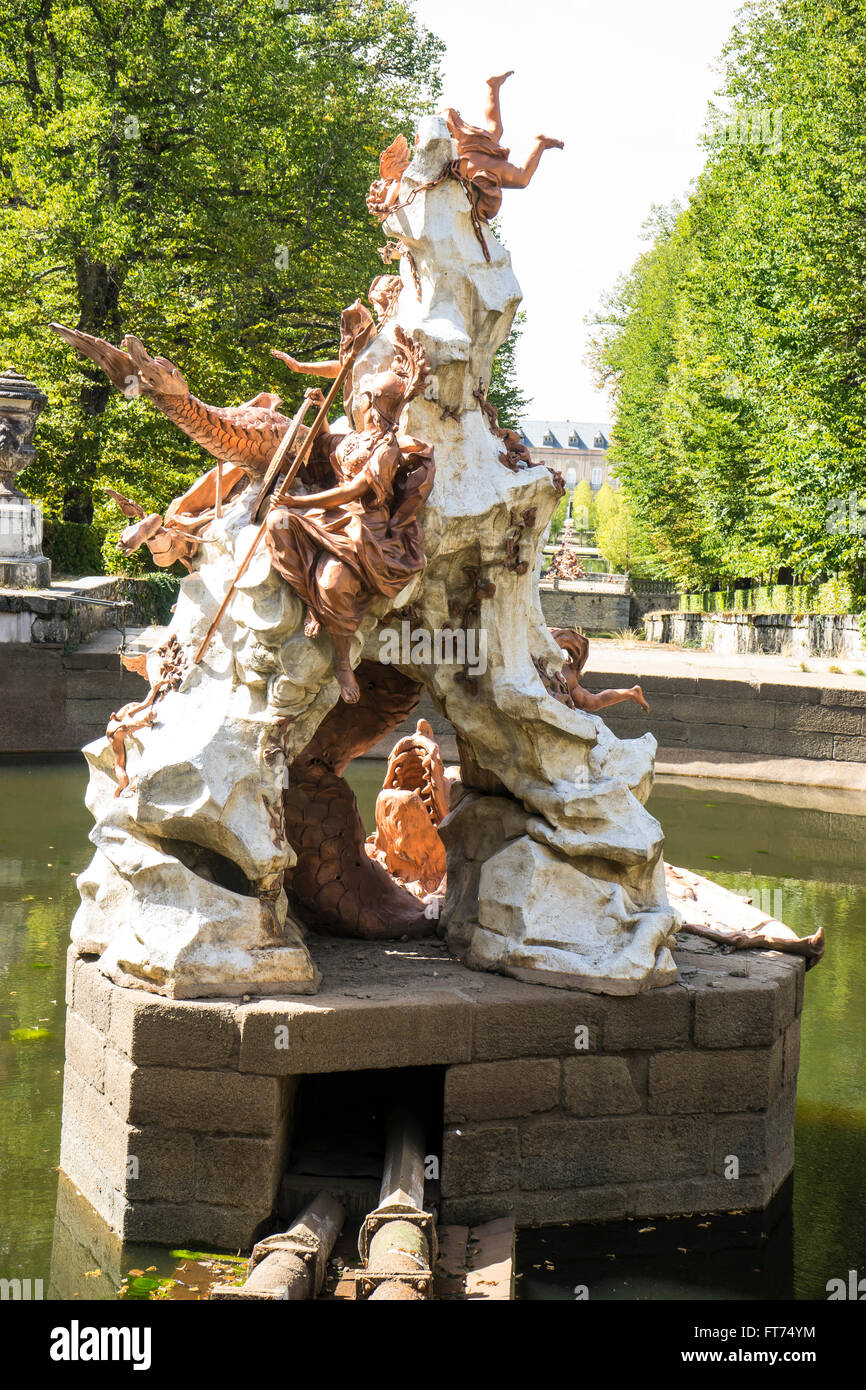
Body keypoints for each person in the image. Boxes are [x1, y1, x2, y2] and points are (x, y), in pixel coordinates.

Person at [264, 328, 434, 704]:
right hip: (329, 517)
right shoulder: (354, 437)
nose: (360, 401)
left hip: (362, 527)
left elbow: (354, 490)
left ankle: (342, 661)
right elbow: (324, 447)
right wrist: (320, 405)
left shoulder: (387, 447)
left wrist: (299, 504)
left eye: (367, 396)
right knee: (276, 527)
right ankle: (312, 606)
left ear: (376, 404)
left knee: (333, 584)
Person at [443, 71, 564, 221]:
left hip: (475, 153)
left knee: (496, 132)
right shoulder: (473, 172)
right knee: (495, 131)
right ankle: (493, 87)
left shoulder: (469, 172)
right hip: (477, 153)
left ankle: (541, 142)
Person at [551, 627, 650, 715]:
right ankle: (631, 693)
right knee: (592, 702)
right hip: (565, 674)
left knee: (592, 701)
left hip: (562, 675)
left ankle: (632, 693)